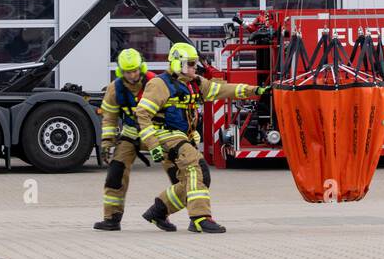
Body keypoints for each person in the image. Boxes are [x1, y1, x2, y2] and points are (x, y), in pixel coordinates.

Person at [136, 42, 267, 234]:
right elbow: (142, 114)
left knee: (197, 179)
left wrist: (253, 91)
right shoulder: (158, 84)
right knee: (195, 166)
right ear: (177, 64)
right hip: (166, 135)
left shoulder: (195, 83)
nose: (194, 67)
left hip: (183, 138)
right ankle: (200, 218)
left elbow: (222, 90)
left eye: (195, 63)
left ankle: (158, 211)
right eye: (190, 63)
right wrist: (153, 144)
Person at [94, 47, 155, 232]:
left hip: (156, 134)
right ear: (121, 71)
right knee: (115, 173)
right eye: (128, 71)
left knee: (177, 172)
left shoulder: (154, 82)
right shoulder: (115, 88)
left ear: (141, 67)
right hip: (130, 136)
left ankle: (163, 212)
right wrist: (106, 144)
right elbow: (110, 118)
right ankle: (111, 218)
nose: (133, 74)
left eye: (135, 70)